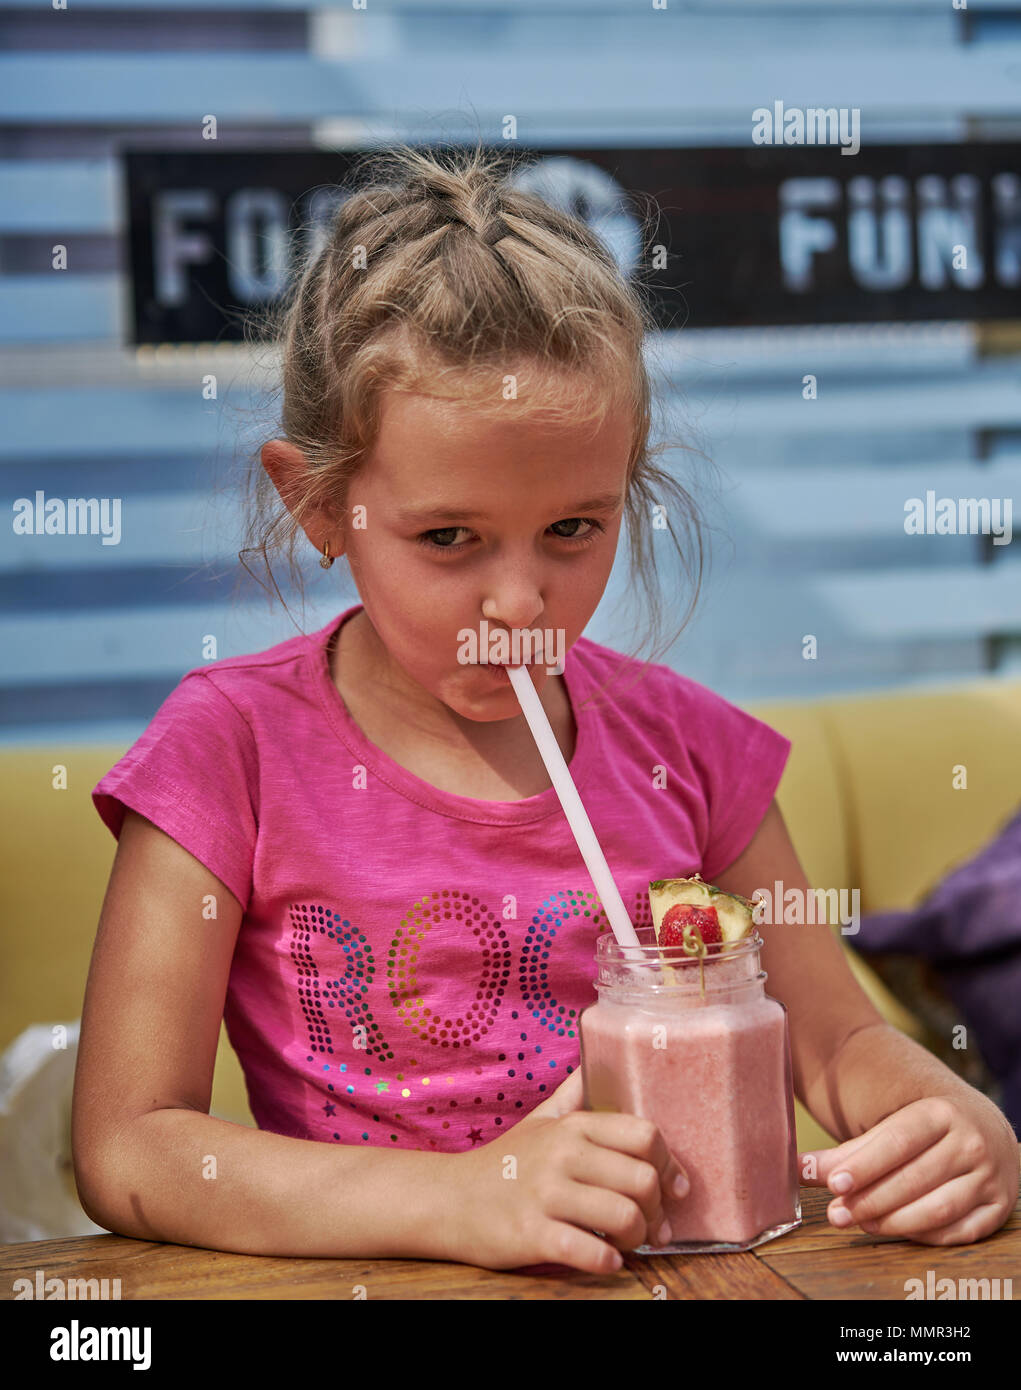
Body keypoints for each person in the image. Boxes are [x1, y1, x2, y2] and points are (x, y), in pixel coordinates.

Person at [71, 142, 1018, 1276]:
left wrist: (953, 1118)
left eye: (574, 529)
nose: (520, 599)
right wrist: (459, 1201)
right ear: (319, 503)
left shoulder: (691, 751)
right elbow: (130, 1145)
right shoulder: (229, 752)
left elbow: (835, 1038)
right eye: (448, 538)